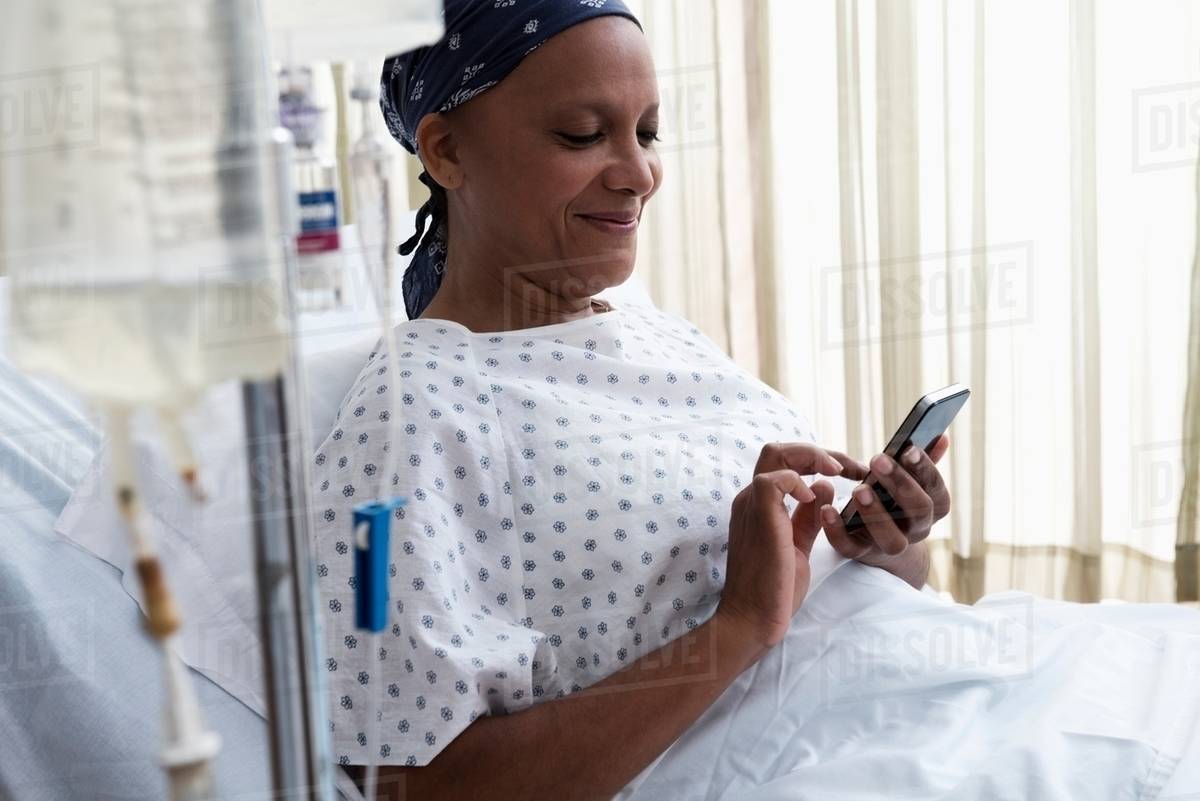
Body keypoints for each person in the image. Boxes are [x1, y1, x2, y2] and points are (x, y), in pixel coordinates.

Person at [310, 2, 1200, 799]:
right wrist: (736, 627)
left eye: (648, 132)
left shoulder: (659, 335)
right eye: (583, 135)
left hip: (963, 685)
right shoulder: (414, 412)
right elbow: (415, 783)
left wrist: (884, 541)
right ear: (446, 150)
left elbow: (848, 604)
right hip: (834, 752)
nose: (639, 173)